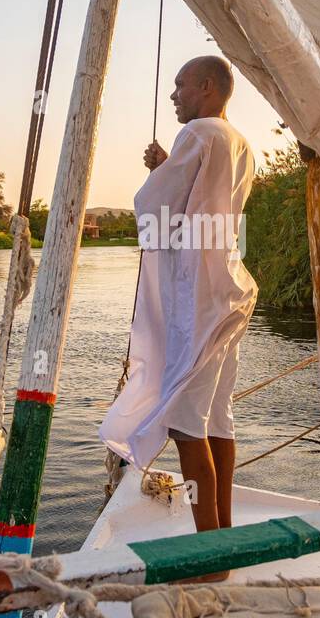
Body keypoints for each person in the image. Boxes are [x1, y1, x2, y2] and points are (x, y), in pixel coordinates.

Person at [99, 55, 257, 564]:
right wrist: (170, 165)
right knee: (217, 420)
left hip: (199, 295)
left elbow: (154, 207)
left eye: (181, 85)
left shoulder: (199, 135)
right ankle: (224, 535)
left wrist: (161, 170)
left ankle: (210, 556)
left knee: (187, 424)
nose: (174, 95)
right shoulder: (239, 143)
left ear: (207, 87)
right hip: (230, 286)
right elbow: (201, 202)